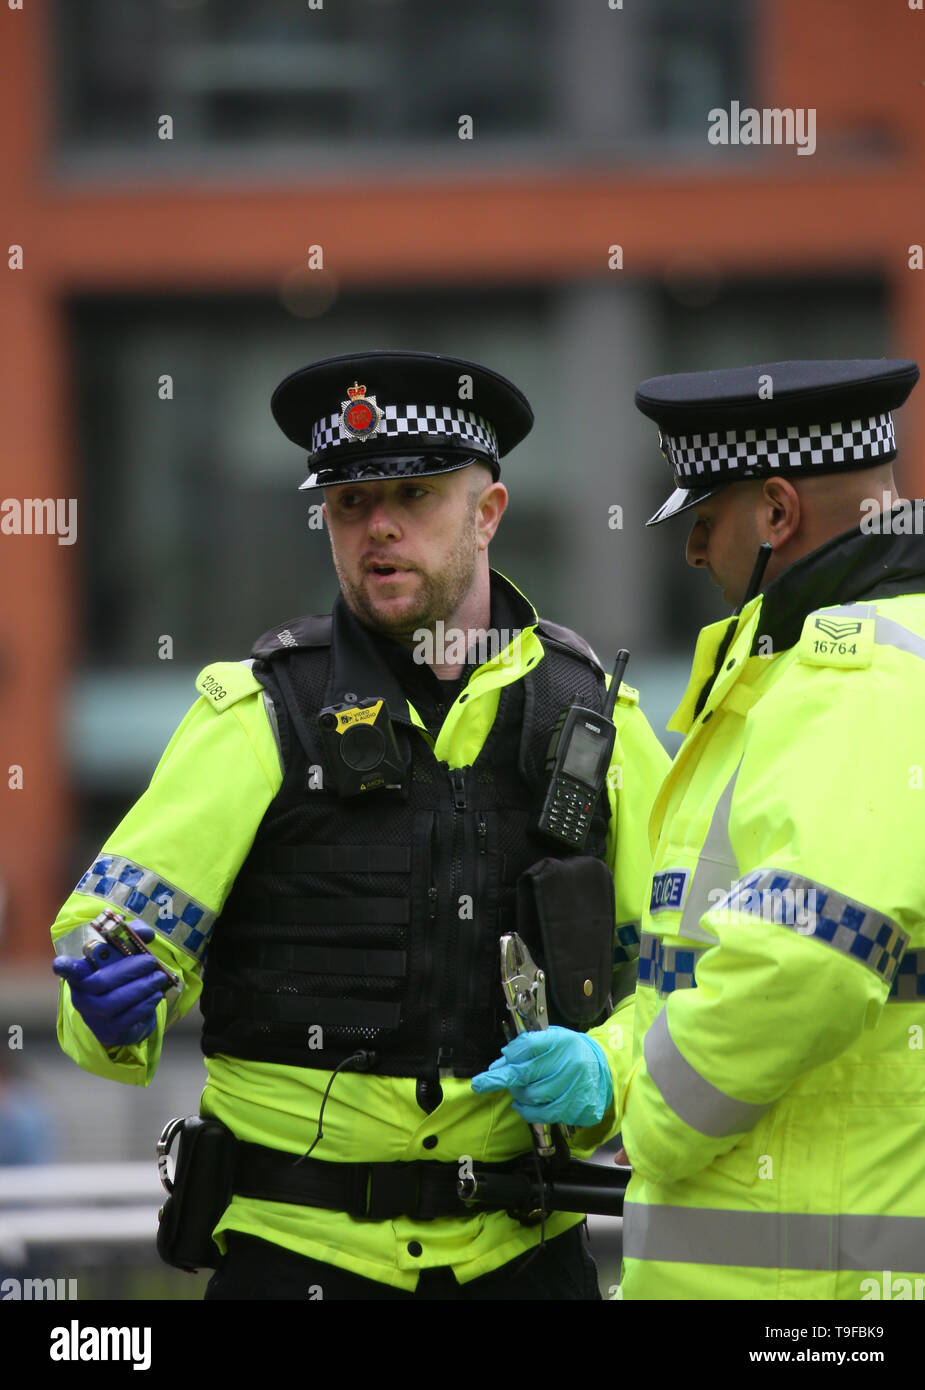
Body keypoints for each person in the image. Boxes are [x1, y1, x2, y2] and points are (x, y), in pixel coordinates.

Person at [50, 349, 669, 1301]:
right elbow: (108, 949)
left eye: (413, 495)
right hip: (296, 1261)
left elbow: (693, 973)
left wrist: (610, 1065)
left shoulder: (600, 724)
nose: (376, 526)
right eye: (348, 503)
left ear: (488, 512)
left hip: (523, 1259)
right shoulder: (251, 717)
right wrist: (104, 1011)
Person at [615, 357, 925, 1299]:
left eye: (703, 520)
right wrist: (607, 1063)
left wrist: (651, 1118)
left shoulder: (859, 678)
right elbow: (701, 954)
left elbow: (813, 958)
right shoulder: (826, 665)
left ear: (779, 513)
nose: (691, 551)